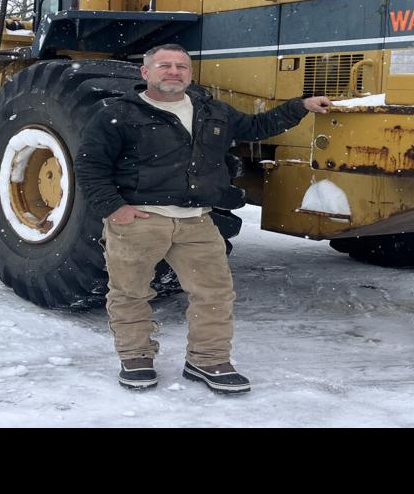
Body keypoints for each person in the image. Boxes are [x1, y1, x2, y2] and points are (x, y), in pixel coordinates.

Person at [75, 44, 332, 393]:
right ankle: (136, 357)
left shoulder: (212, 112)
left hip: (197, 220)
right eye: (164, 65)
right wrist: (114, 208)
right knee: (130, 293)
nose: (174, 71)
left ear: (190, 73)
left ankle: (207, 360)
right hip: (140, 220)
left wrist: (299, 107)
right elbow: (91, 165)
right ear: (145, 72)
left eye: (181, 66)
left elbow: (257, 126)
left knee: (215, 294)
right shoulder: (119, 113)